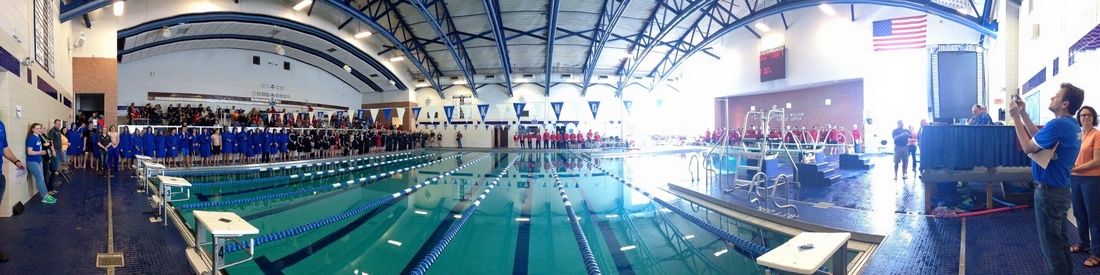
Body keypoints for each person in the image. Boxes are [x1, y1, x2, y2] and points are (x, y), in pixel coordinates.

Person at [1010, 83, 1085, 274]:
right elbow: (1038, 137)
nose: (1052, 98)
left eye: (1056, 96)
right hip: (1059, 191)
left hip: (1048, 194)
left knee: (1051, 249)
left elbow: (1028, 147)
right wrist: (1024, 114)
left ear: (1065, 103)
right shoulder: (1070, 125)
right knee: (1059, 243)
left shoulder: (1059, 124)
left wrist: (1016, 117)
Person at [1071, 105, 1100, 267]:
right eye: (1082, 115)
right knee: (1079, 214)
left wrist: (1075, 168)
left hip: (1092, 180)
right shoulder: (1077, 135)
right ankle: (1084, 244)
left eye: (1089, 115)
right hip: (1075, 179)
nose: (1085, 118)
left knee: (1094, 217)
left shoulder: (1097, 135)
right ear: (1079, 118)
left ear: (1093, 118)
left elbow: (1097, 161)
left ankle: (1097, 253)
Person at [26, 123, 56, 204]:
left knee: (42, 178)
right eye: (37, 128)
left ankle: (46, 194)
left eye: (39, 128)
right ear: (32, 129)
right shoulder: (32, 138)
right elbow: (29, 152)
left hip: (38, 160)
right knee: (40, 179)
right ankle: (44, 196)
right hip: (32, 161)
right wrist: (40, 152)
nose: (39, 130)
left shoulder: (38, 137)